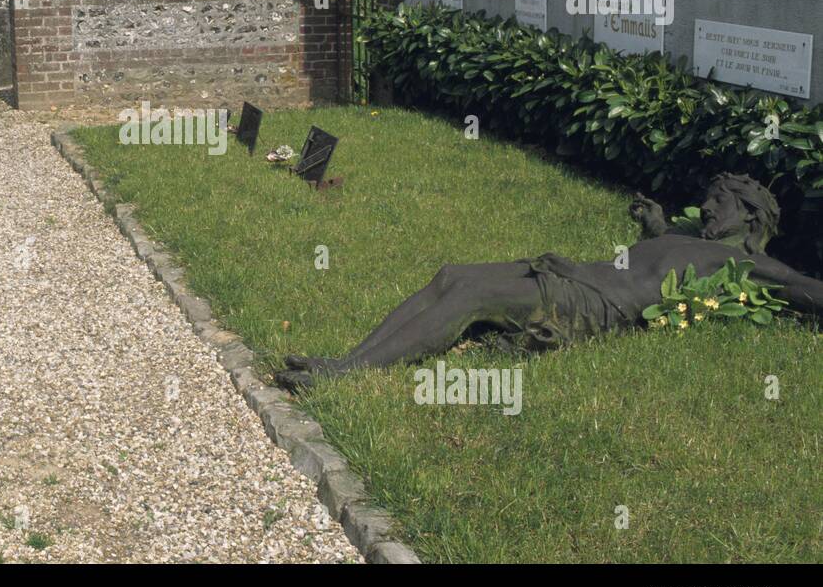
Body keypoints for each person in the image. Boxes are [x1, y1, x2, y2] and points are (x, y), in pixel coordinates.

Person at [277, 174, 823, 391]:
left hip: (591, 305)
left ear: (752, 215)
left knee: (470, 295)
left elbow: (808, 291)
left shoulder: (752, 267)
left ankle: (344, 374)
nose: (705, 205)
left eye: (720, 200)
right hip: (571, 273)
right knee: (452, 274)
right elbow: (662, 257)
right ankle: (347, 359)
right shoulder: (693, 240)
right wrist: (653, 227)